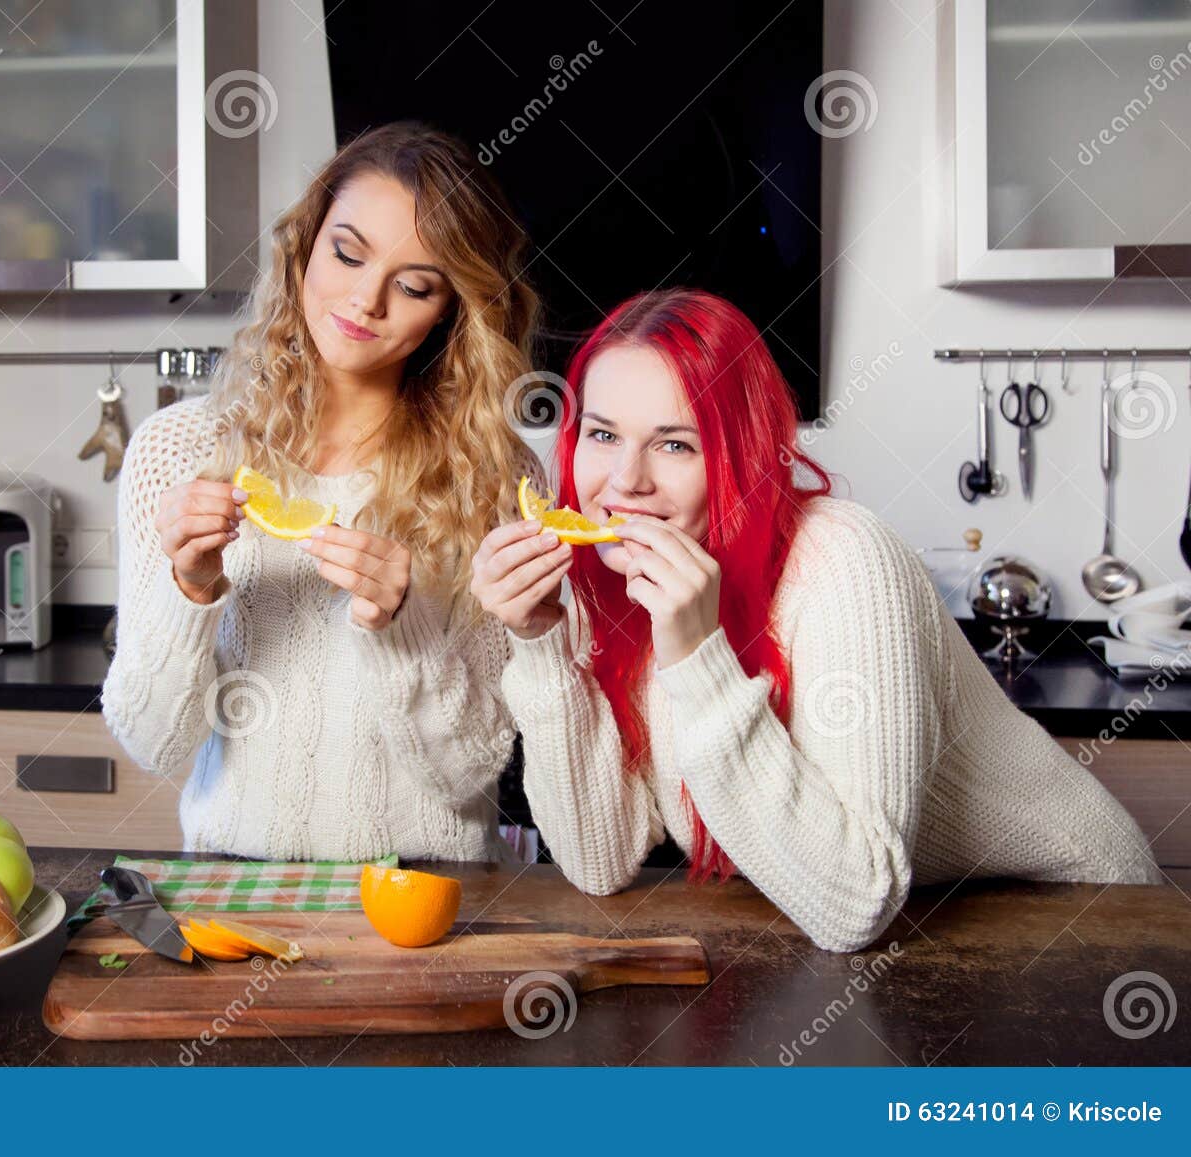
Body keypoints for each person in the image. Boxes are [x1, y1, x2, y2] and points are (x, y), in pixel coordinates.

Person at [470, 287, 1158, 952]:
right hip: (896, 926)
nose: (625, 480)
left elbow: (857, 901)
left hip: (1077, 912)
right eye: (602, 433)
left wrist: (694, 654)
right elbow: (599, 860)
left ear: (740, 453)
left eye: (675, 444)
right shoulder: (603, 583)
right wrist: (539, 644)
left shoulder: (843, 559)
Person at [102, 122, 546, 862]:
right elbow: (152, 740)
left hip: (423, 900)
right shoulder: (178, 451)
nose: (366, 300)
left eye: (414, 285)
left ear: (450, 311)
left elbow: (469, 769)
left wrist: (402, 627)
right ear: (306, 244)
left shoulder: (498, 480)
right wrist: (190, 587)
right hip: (235, 892)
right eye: (347, 252)